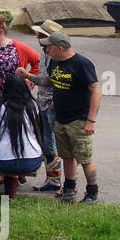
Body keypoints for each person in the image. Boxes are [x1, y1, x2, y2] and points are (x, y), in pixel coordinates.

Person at [39, 30, 101, 203]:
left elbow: (96, 91)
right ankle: (69, 189)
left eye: (49, 47)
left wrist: (91, 120)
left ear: (60, 47)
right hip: (61, 118)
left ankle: (92, 192)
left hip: (79, 120)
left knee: (85, 157)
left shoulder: (82, 64)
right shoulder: (55, 63)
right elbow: (49, 82)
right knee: (67, 156)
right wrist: (29, 77)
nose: (46, 50)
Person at [21, 20, 65, 192]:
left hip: (52, 104)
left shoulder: (57, 54)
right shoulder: (45, 52)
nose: (37, 37)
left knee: (54, 143)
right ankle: (52, 179)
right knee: (46, 142)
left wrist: (30, 77)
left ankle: (58, 180)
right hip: (44, 101)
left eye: (40, 35)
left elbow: (54, 81)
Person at [0, 73, 46, 198]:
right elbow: (37, 128)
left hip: (4, 161)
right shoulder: (33, 105)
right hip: (32, 160)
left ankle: (11, 191)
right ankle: (18, 175)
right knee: (16, 155)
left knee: (0, 156)